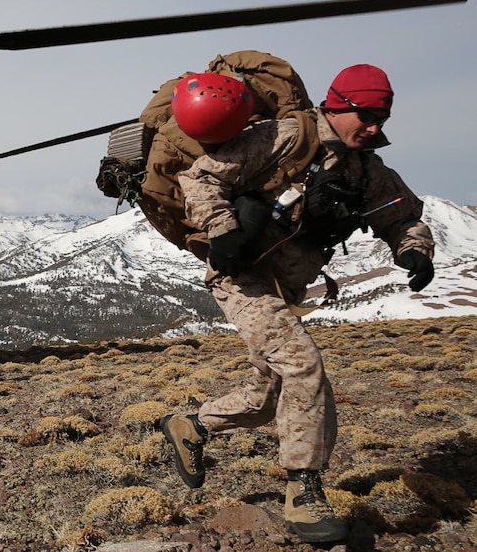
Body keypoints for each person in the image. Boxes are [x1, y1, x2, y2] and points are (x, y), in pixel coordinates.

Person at [161, 64, 435, 544]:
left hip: (286, 289)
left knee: (270, 393)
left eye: (382, 118)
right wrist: (222, 231)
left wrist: (414, 249)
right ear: (338, 105)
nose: (375, 128)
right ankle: (304, 493)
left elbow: (404, 215)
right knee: (303, 366)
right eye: (366, 115)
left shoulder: (367, 170)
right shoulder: (287, 137)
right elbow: (202, 178)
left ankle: (191, 426)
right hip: (241, 279)